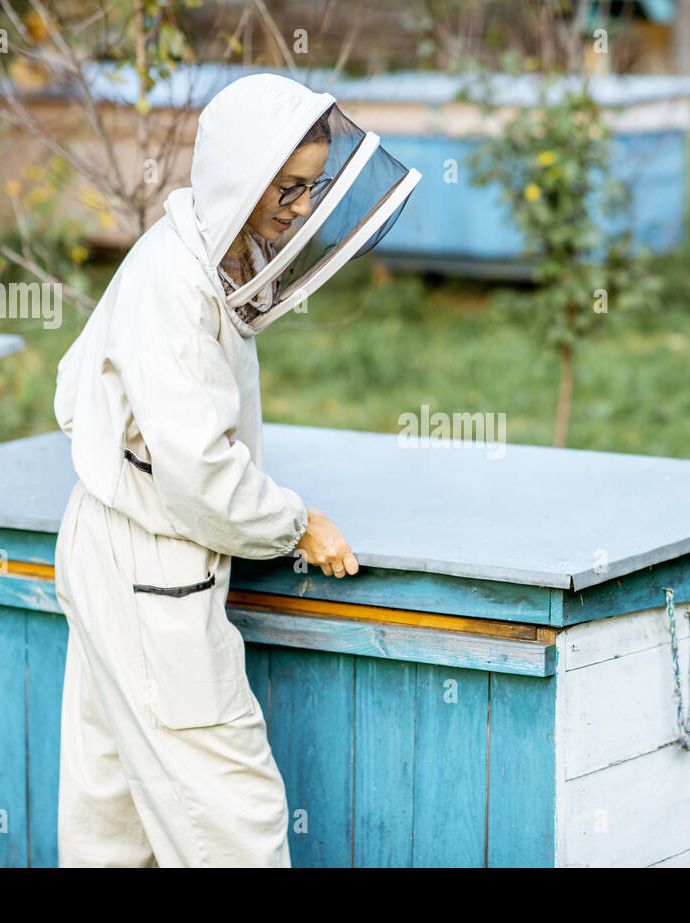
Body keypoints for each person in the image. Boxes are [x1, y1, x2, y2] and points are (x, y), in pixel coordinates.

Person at [50, 73, 417, 866]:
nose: (300, 209)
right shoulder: (174, 288)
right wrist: (297, 523)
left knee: (114, 817)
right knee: (232, 817)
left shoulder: (190, 253)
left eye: (312, 187)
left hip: (119, 544)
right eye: (286, 189)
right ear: (239, 179)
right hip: (150, 562)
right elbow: (201, 472)